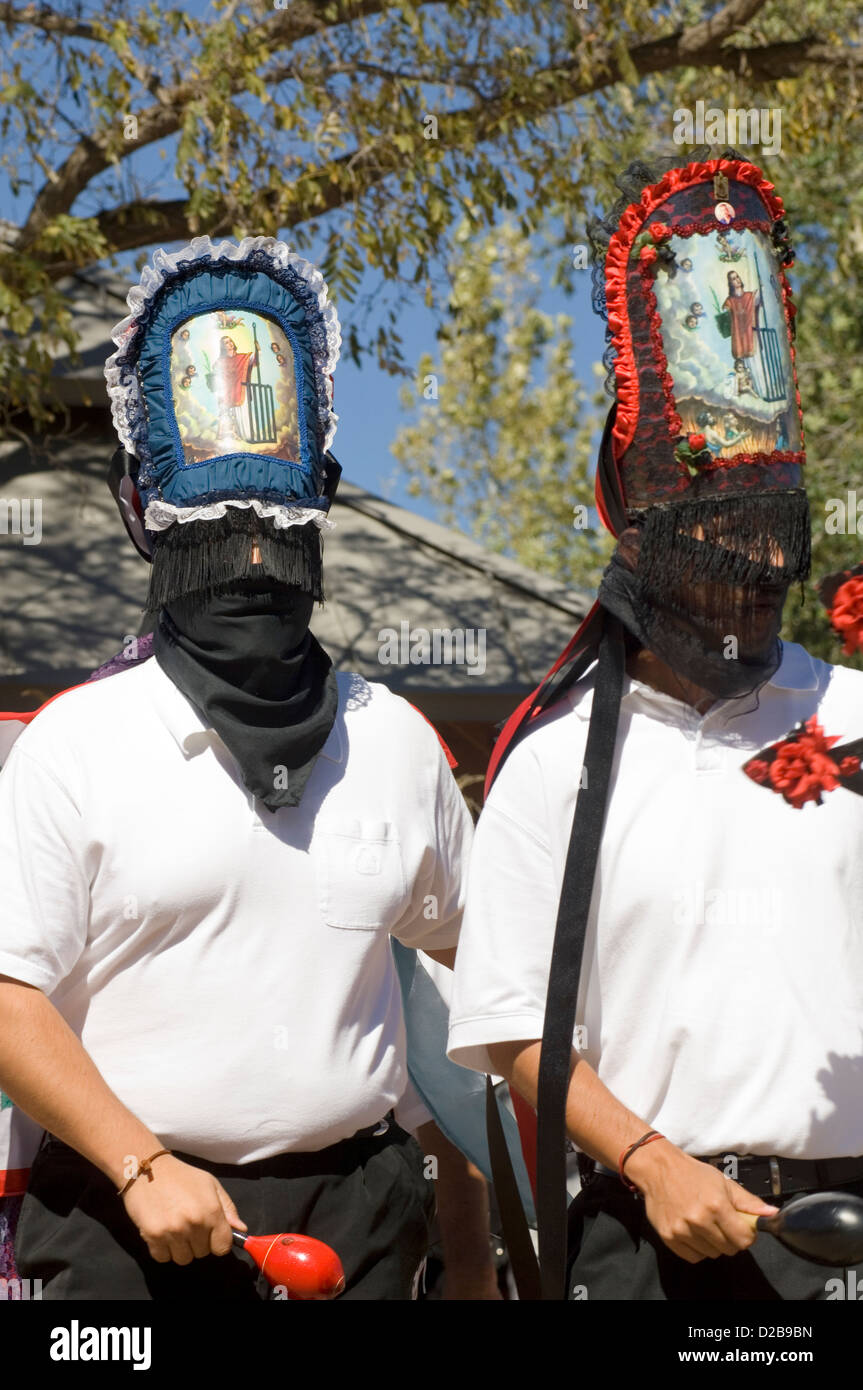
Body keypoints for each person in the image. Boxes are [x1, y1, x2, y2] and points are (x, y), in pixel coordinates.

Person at [0, 236, 481, 1301]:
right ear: (141, 512)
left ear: (324, 506)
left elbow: (492, 977)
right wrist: (141, 1164)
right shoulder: (74, 745)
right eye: (217, 546)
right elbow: (6, 998)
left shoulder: (396, 739)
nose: (253, 566)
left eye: (277, 538)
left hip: (362, 1219)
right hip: (125, 1219)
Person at [448, 151, 863, 1302]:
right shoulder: (551, 762)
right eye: (720, 547)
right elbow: (511, 1029)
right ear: (639, 540)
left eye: (772, 543)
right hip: (643, 1234)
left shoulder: (850, 715)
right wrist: (647, 1159)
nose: (754, 574)